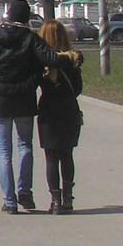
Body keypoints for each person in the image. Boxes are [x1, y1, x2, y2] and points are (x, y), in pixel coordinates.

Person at [0, 0, 81, 214]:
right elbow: (49, 59)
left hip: (1, 100)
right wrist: (72, 58)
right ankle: (25, 191)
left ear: (6, 16)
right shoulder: (30, 39)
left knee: (4, 150)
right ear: (25, 18)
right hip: (24, 99)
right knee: (25, 145)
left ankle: (10, 201)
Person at [36, 21, 84, 214]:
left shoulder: (41, 62)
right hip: (69, 111)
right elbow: (78, 89)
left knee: (51, 158)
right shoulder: (73, 61)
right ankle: (68, 199)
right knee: (67, 156)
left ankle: (55, 201)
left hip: (48, 112)